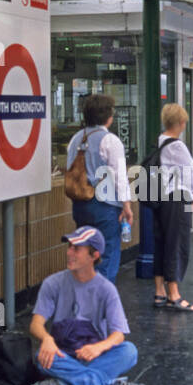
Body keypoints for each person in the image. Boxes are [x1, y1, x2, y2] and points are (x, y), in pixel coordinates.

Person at [30, 226, 145, 385]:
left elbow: (119, 334)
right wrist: (46, 339)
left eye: (76, 249)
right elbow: (36, 323)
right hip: (62, 355)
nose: (69, 253)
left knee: (129, 351)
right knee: (41, 357)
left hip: (94, 357)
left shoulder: (107, 289)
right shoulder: (52, 283)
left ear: (94, 255)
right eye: (69, 247)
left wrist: (99, 347)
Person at [66, 94, 133, 281]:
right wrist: (126, 206)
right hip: (105, 207)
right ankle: (101, 300)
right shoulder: (110, 141)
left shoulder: (75, 140)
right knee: (107, 253)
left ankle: (84, 297)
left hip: (80, 206)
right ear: (108, 117)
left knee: (85, 253)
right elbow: (119, 176)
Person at [149, 103, 193, 311]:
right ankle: (174, 294)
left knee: (161, 243)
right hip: (176, 199)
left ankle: (159, 291)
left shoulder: (160, 142)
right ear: (181, 123)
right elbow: (191, 169)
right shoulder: (177, 146)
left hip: (160, 199)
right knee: (177, 243)